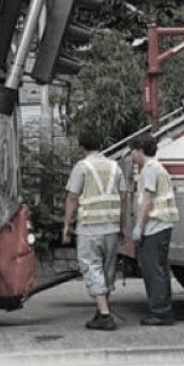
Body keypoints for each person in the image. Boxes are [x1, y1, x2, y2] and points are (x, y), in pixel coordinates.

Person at [63, 129, 128, 331]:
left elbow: (72, 198)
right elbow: (124, 197)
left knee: (91, 267)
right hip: (111, 228)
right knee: (107, 269)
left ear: (82, 147)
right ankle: (102, 310)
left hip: (90, 227)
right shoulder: (115, 167)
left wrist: (67, 224)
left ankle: (105, 315)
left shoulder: (81, 167)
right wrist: (123, 226)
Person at [129, 133, 180, 326]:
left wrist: (139, 226)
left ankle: (160, 312)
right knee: (159, 269)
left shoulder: (150, 169)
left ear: (140, 150)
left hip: (155, 226)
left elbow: (148, 200)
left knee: (154, 271)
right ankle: (163, 310)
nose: (132, 155)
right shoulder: (157, 168)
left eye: (132, 150)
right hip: (161, 225)